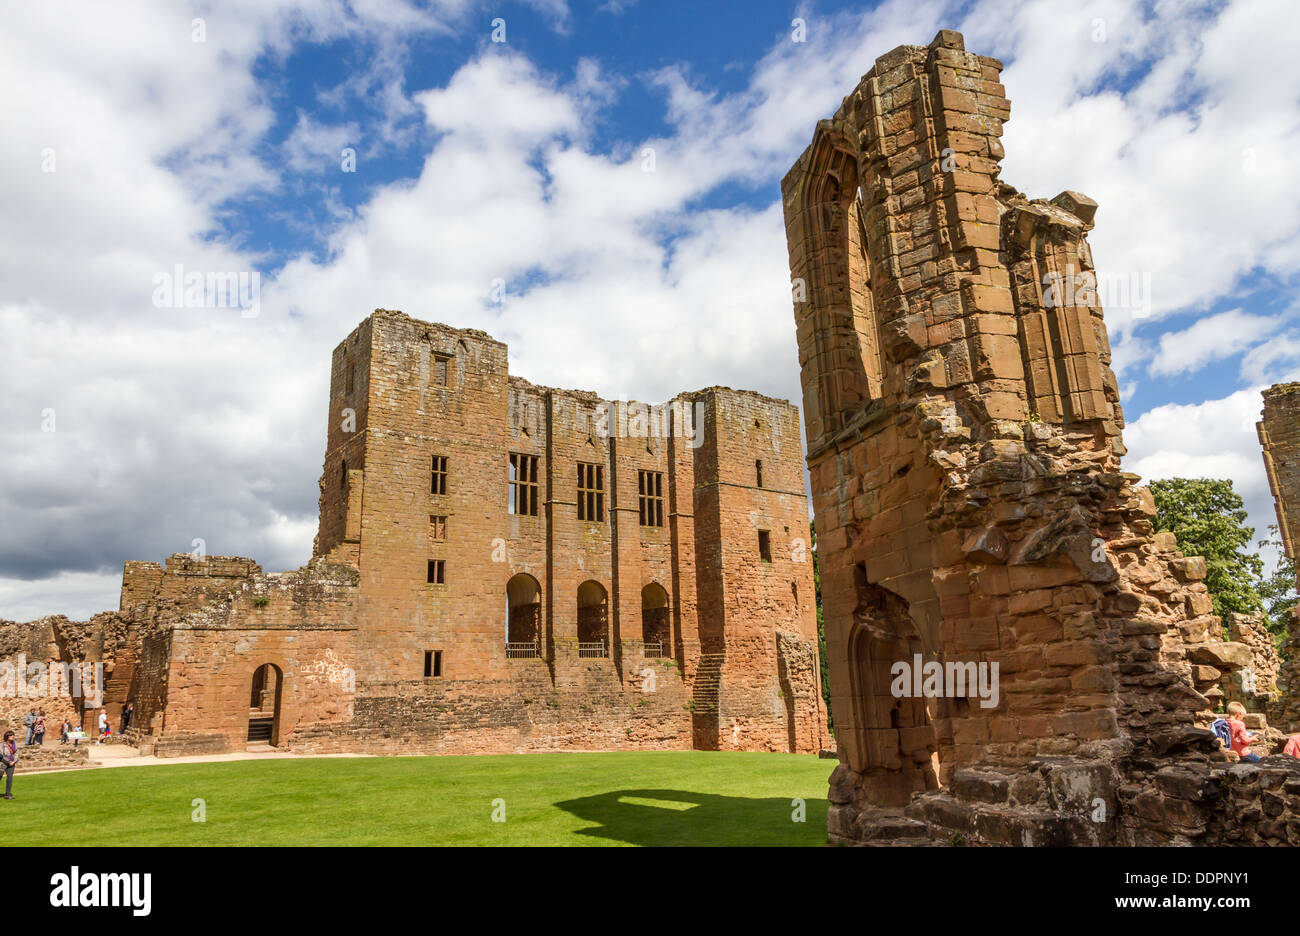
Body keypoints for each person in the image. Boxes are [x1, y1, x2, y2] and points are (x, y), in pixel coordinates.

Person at [1, 730, 17, 799]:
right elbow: (1, 755)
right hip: (3, 763)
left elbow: (16, 753)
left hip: (12, 764)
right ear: (7, 737)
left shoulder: (14, 744)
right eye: (10, 735)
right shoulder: (2, 745)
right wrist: (8, 762)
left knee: (9, 779)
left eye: (13, 735)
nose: (12, 736)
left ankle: (7, 794)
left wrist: (14, 761)